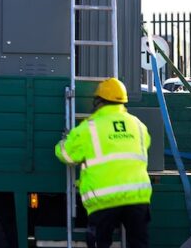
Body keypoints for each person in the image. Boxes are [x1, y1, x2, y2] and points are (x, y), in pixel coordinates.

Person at [55, 78, 152, 248]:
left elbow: (66, 155)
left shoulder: (89, 128)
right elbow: (146, 144)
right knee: (139, 244)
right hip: (138, 197)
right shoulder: (138, 125)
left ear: (99, 102)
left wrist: (64, 140)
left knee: (100, 244)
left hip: (104, 200)